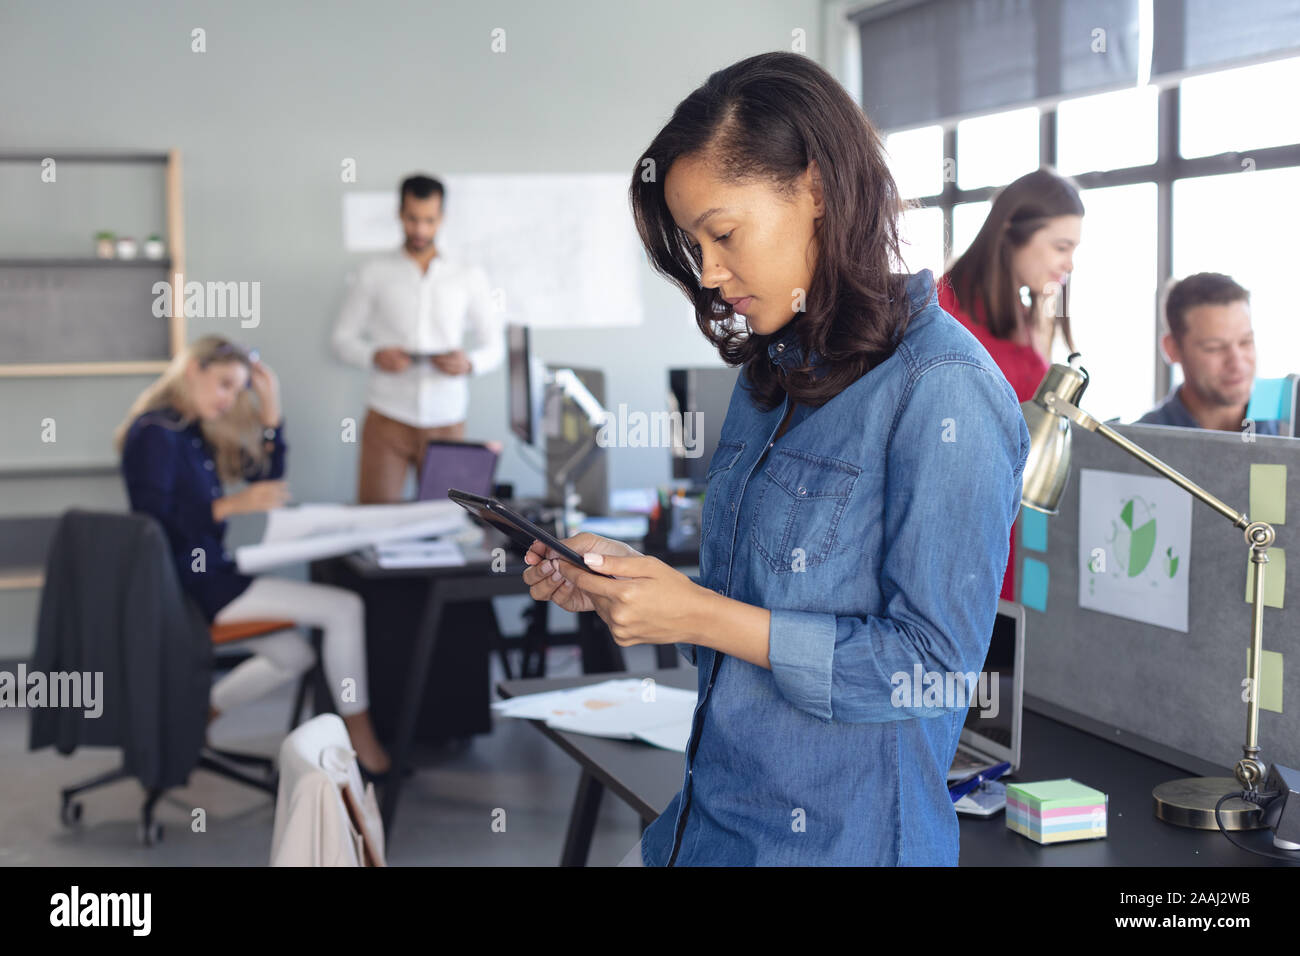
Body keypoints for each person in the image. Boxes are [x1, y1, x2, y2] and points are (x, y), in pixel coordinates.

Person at [523, 52, 1028, 865]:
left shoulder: (944, 391)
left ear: (818, 190)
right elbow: (752, 618)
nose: (712, 276)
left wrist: (699, 615)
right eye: (696, 245)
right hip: (711, 827)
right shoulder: (773, 376)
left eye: (723, 234)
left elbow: (928, 672)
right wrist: (638, 592)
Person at [115, 335, 392, 778]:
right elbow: (154, 521)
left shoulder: (186, 430)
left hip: (206, 572)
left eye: (237, 388)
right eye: (224, 384)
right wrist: (229, 505)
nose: (229, 398)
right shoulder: (155, 434)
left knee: (295, 656)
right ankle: (361, 738)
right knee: (344, 608)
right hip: (188, 582)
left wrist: (271, 406)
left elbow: (268, 479)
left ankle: (199, 715)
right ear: (193, 370)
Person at [936, 167, 1084, 602]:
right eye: (1061, 247)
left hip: (1011, 540)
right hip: (958, 546)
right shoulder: (941, 312)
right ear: (1011, 234)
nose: (1069, 264)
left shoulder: (1019, 316)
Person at [332, 174, 505, 504]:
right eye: (412, 219)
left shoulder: (468, 275)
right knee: (376, 520)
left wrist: (469, 363)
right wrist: (374, 355)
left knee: (446, 520)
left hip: (447, 420)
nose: (420, 230)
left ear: (442, 218)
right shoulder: (373, 272)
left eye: (429, 220)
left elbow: (494, 346)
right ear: (400, 214)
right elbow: (342, 339)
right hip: (387, 418)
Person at [1135, 272, 1280, 435]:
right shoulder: (1135, 447)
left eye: (1245, 342)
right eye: (1214, 347)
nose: (1237, 363)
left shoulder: (1287, 429)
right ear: (1172, 349)